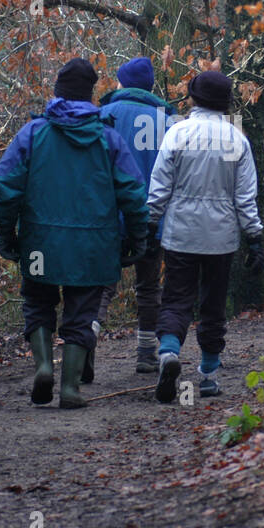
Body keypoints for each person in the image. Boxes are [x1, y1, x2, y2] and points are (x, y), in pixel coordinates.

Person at [0, 58, 148, 409]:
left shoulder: (32, 134)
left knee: (38, 301)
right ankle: (70, 388)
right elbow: (133, 194)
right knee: (83, 311)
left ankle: (44, 365)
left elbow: (5, 187)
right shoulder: (109, 139)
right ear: (90, 94)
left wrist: (7, 234)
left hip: (39, 243)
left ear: (57, 91)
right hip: (94, 245)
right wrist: (137, 238)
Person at [146, 70, 263, 402]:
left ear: (194, 97)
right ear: (225, 102)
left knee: (176, 298)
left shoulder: (177, 134)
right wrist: (254, 236)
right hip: (221, 237)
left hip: (181, 232)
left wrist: (150, 223)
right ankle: (209, 374)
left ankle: (169, 352)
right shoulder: (236, 139)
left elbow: (160, 186)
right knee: (213, 304)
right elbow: (245, 197)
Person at [93, 57, 177, 376]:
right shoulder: (167, 121)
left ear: (122, 83)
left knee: (102, 284)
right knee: (148, 285)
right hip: (152, 217)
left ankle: (88, 337)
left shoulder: (102, 116)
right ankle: (145, 353)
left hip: (108, 217)